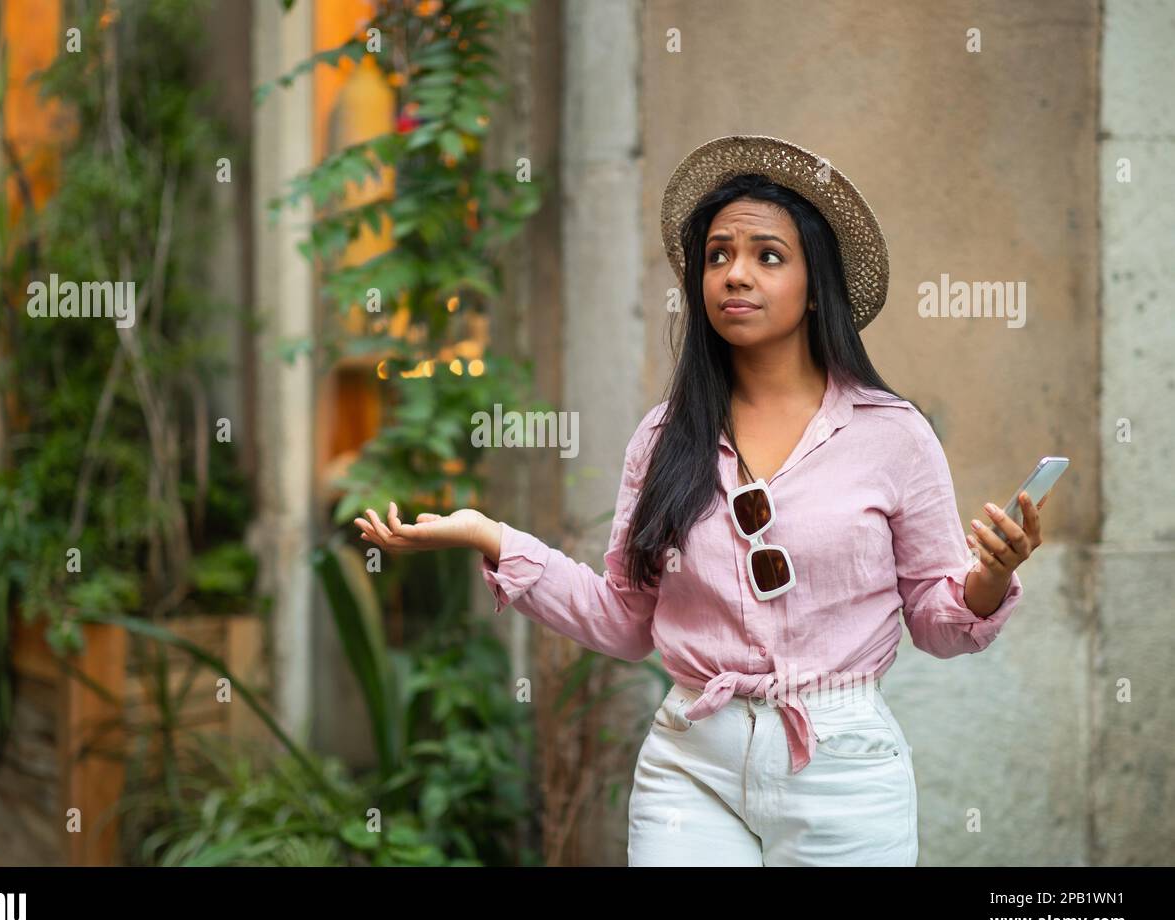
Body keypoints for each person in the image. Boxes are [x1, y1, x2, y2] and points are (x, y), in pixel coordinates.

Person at [354, 134, 1048, 866]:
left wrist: (987, 580)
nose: (734, 275)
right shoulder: (664, 437)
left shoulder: (892, 435)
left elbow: (937, 626)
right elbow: (624, 621)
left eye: (766, 255)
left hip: (843, 767)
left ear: (817, 286)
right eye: (718, 255)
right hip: (691, 764)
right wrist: (492, 537)